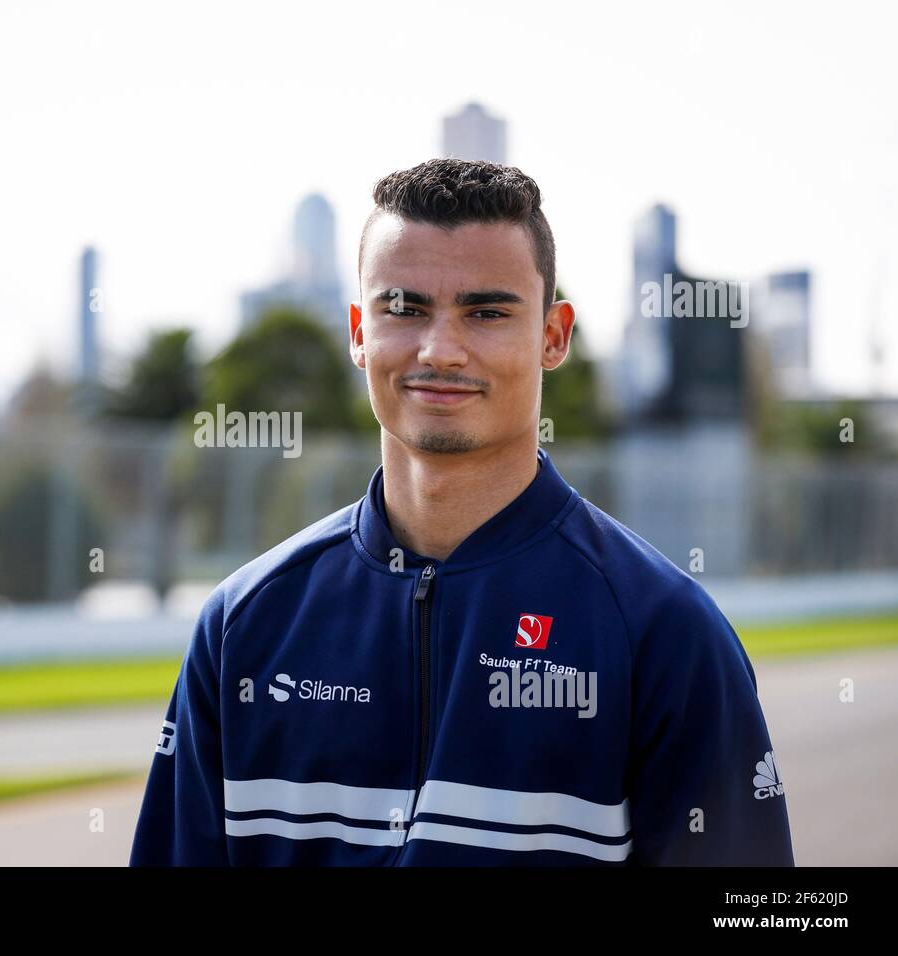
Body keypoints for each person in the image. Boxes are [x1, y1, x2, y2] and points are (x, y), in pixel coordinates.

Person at [129, 158, 794, 866]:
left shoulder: (664, 633)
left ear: (553, 336)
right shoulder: (243, 625)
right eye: (403, 308)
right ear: (359, 331)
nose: (440, 349)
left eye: (486, 311)